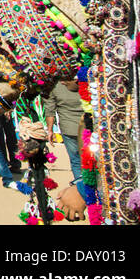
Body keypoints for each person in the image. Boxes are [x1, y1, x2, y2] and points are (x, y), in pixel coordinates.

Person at [43, 76, 86, 220]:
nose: (62, 82)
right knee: (78, 162)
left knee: (85, 163)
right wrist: (50, 130)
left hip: (86, 132)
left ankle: (84, 192)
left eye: (65, 80)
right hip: (71, 132)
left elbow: (50, 109)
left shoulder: (86, 82)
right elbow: (49, 109)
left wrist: (50, 130)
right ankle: (81, 193)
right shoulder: (55, 85)